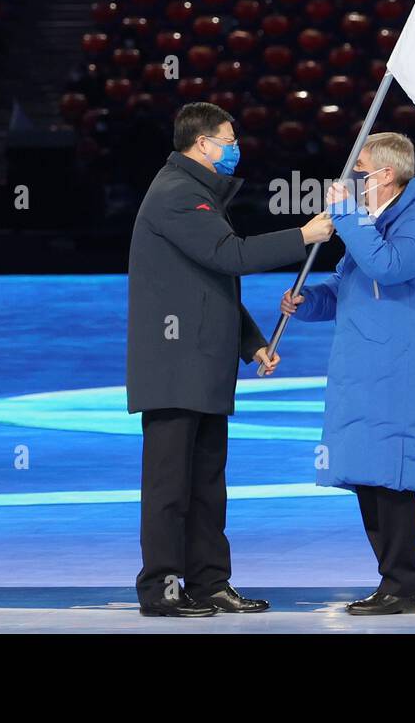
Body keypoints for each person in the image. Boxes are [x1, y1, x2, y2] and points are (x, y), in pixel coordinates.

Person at [128, 101, 334, 617]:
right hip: (176, 368)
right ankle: (161, 588)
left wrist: (252, 344)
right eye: (228, 138)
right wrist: (303, 236)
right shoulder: (178, 195)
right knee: (170, 487)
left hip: (201, 365)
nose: (234, 147)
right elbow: (232, 256)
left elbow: (211, 283)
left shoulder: (197, 193)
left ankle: (209, 583)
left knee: (205, 487)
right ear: (202, 144)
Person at [280, 133, 415, 615]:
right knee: (367, 476)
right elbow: (347, 284)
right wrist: (308, 301)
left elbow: (388, 267)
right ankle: (402, 580)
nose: (353, 178)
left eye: (361, 170)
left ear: (387, 175)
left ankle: (402, 582)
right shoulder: (369, 222)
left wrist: (347, 217)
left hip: (396, 367)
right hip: (360, 366)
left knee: (390, 476)